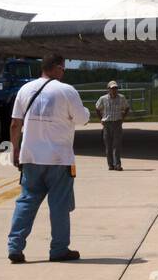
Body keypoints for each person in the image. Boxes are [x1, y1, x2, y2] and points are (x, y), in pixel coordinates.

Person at [7, 54, 89, 264]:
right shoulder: (66, 90)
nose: (63, 72)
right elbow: (82, 119)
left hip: (31, 157)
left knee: (26, 201)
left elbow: (15, 124)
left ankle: (15, 248)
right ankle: (59, 249)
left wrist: (15, 150)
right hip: (59, 159)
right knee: (59, 205)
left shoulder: (25, 90)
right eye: (63, 68)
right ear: (57, 68)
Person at [94, 80, 131, 171]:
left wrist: (123, 118)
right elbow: (97, 108)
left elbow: (127, 107)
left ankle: (117, 165)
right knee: (108, 146)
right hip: (107, 124)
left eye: (115, 88)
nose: (114, 90)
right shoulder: (103, 98)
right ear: (108, 89)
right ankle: (110, 165)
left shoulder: (121, 98)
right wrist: (101, 119)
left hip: (117, 123)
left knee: (116, 145)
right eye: (112, 88)